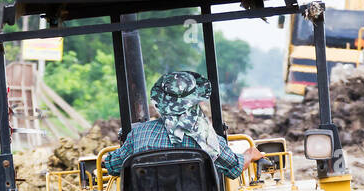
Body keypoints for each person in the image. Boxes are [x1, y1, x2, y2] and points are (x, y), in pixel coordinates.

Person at [103, 70, 265, 180]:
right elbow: (235, 168)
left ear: (160, 103)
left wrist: (104, 159)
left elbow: (112, 166)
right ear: (195, 102)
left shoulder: (138, 135)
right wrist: (249, 154)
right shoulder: (207, 139)